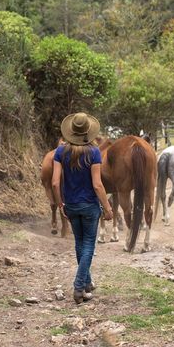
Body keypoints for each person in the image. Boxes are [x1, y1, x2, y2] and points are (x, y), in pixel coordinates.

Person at [52, 112, 114, 304]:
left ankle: (87, 283)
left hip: (70, 205)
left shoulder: (60, 152)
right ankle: (79, 287)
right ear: (88, 131)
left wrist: (60, 203)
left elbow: (55, 183)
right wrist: (108, 207)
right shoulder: (94, 152)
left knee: (80, 244)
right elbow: (97, 185)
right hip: (89, 206)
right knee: (88, 245)